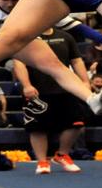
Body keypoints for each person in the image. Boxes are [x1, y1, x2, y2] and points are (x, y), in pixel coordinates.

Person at [13, 23, 91, 174]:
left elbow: (76, 60)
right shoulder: (27, 38)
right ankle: (42, 161)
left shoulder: (65, 36)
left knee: (76, 123)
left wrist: (85, 81)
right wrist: (27, 85)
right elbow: (19, 62)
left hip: (67, 88)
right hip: (38, 90)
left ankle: (62, 155)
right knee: (37, 128)